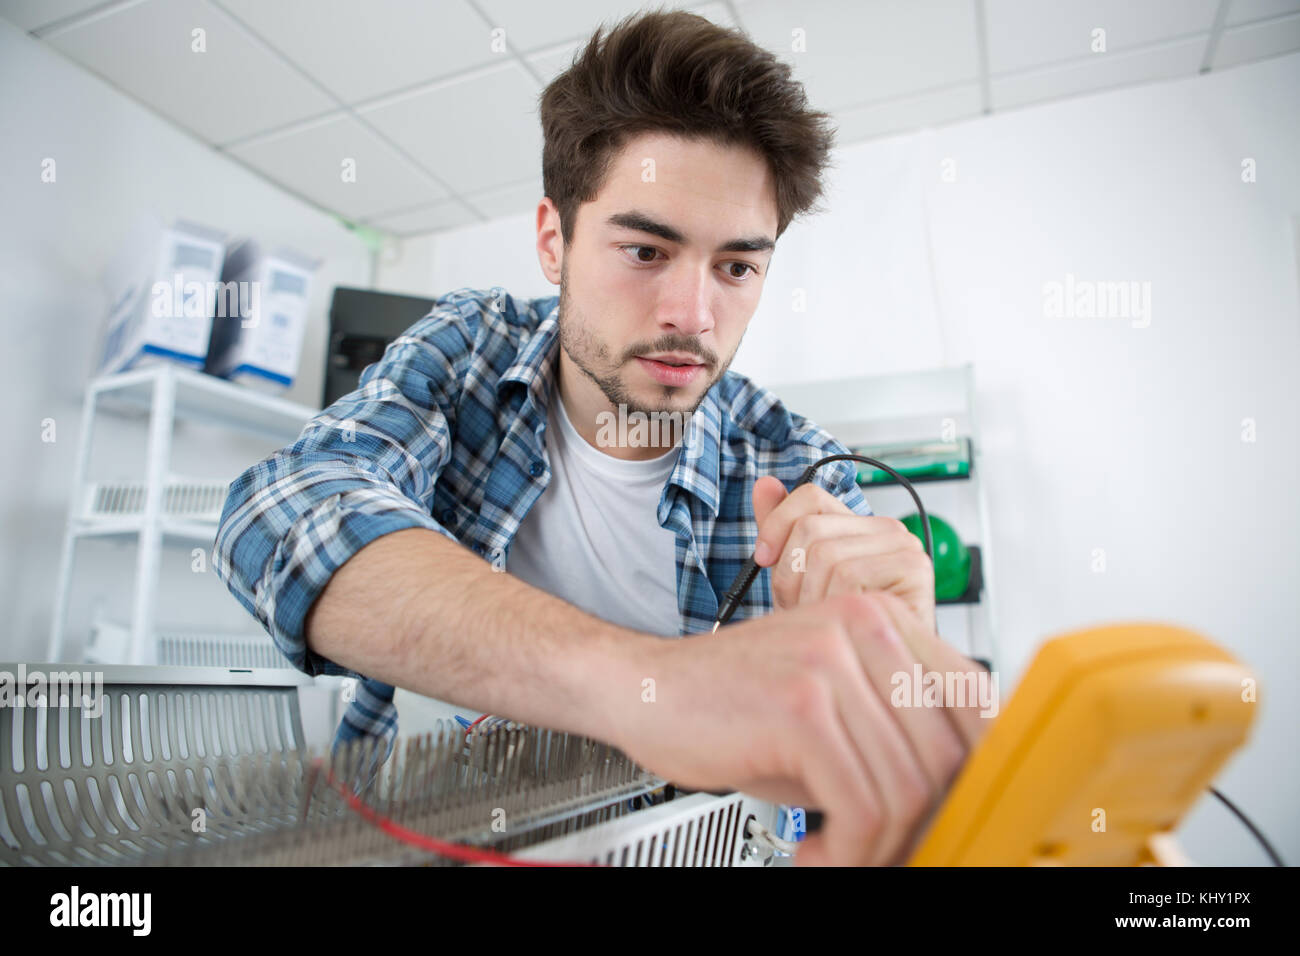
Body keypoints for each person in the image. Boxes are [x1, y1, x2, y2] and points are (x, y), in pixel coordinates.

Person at [215, 9, 992, 866]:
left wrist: (899, 693)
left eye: (737, 267)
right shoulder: (471, 352)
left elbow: (847, 821)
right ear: (555, 240)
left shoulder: (800, 475)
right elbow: (279, 513)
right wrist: (646, 690)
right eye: (646, 251)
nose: (693, 316)